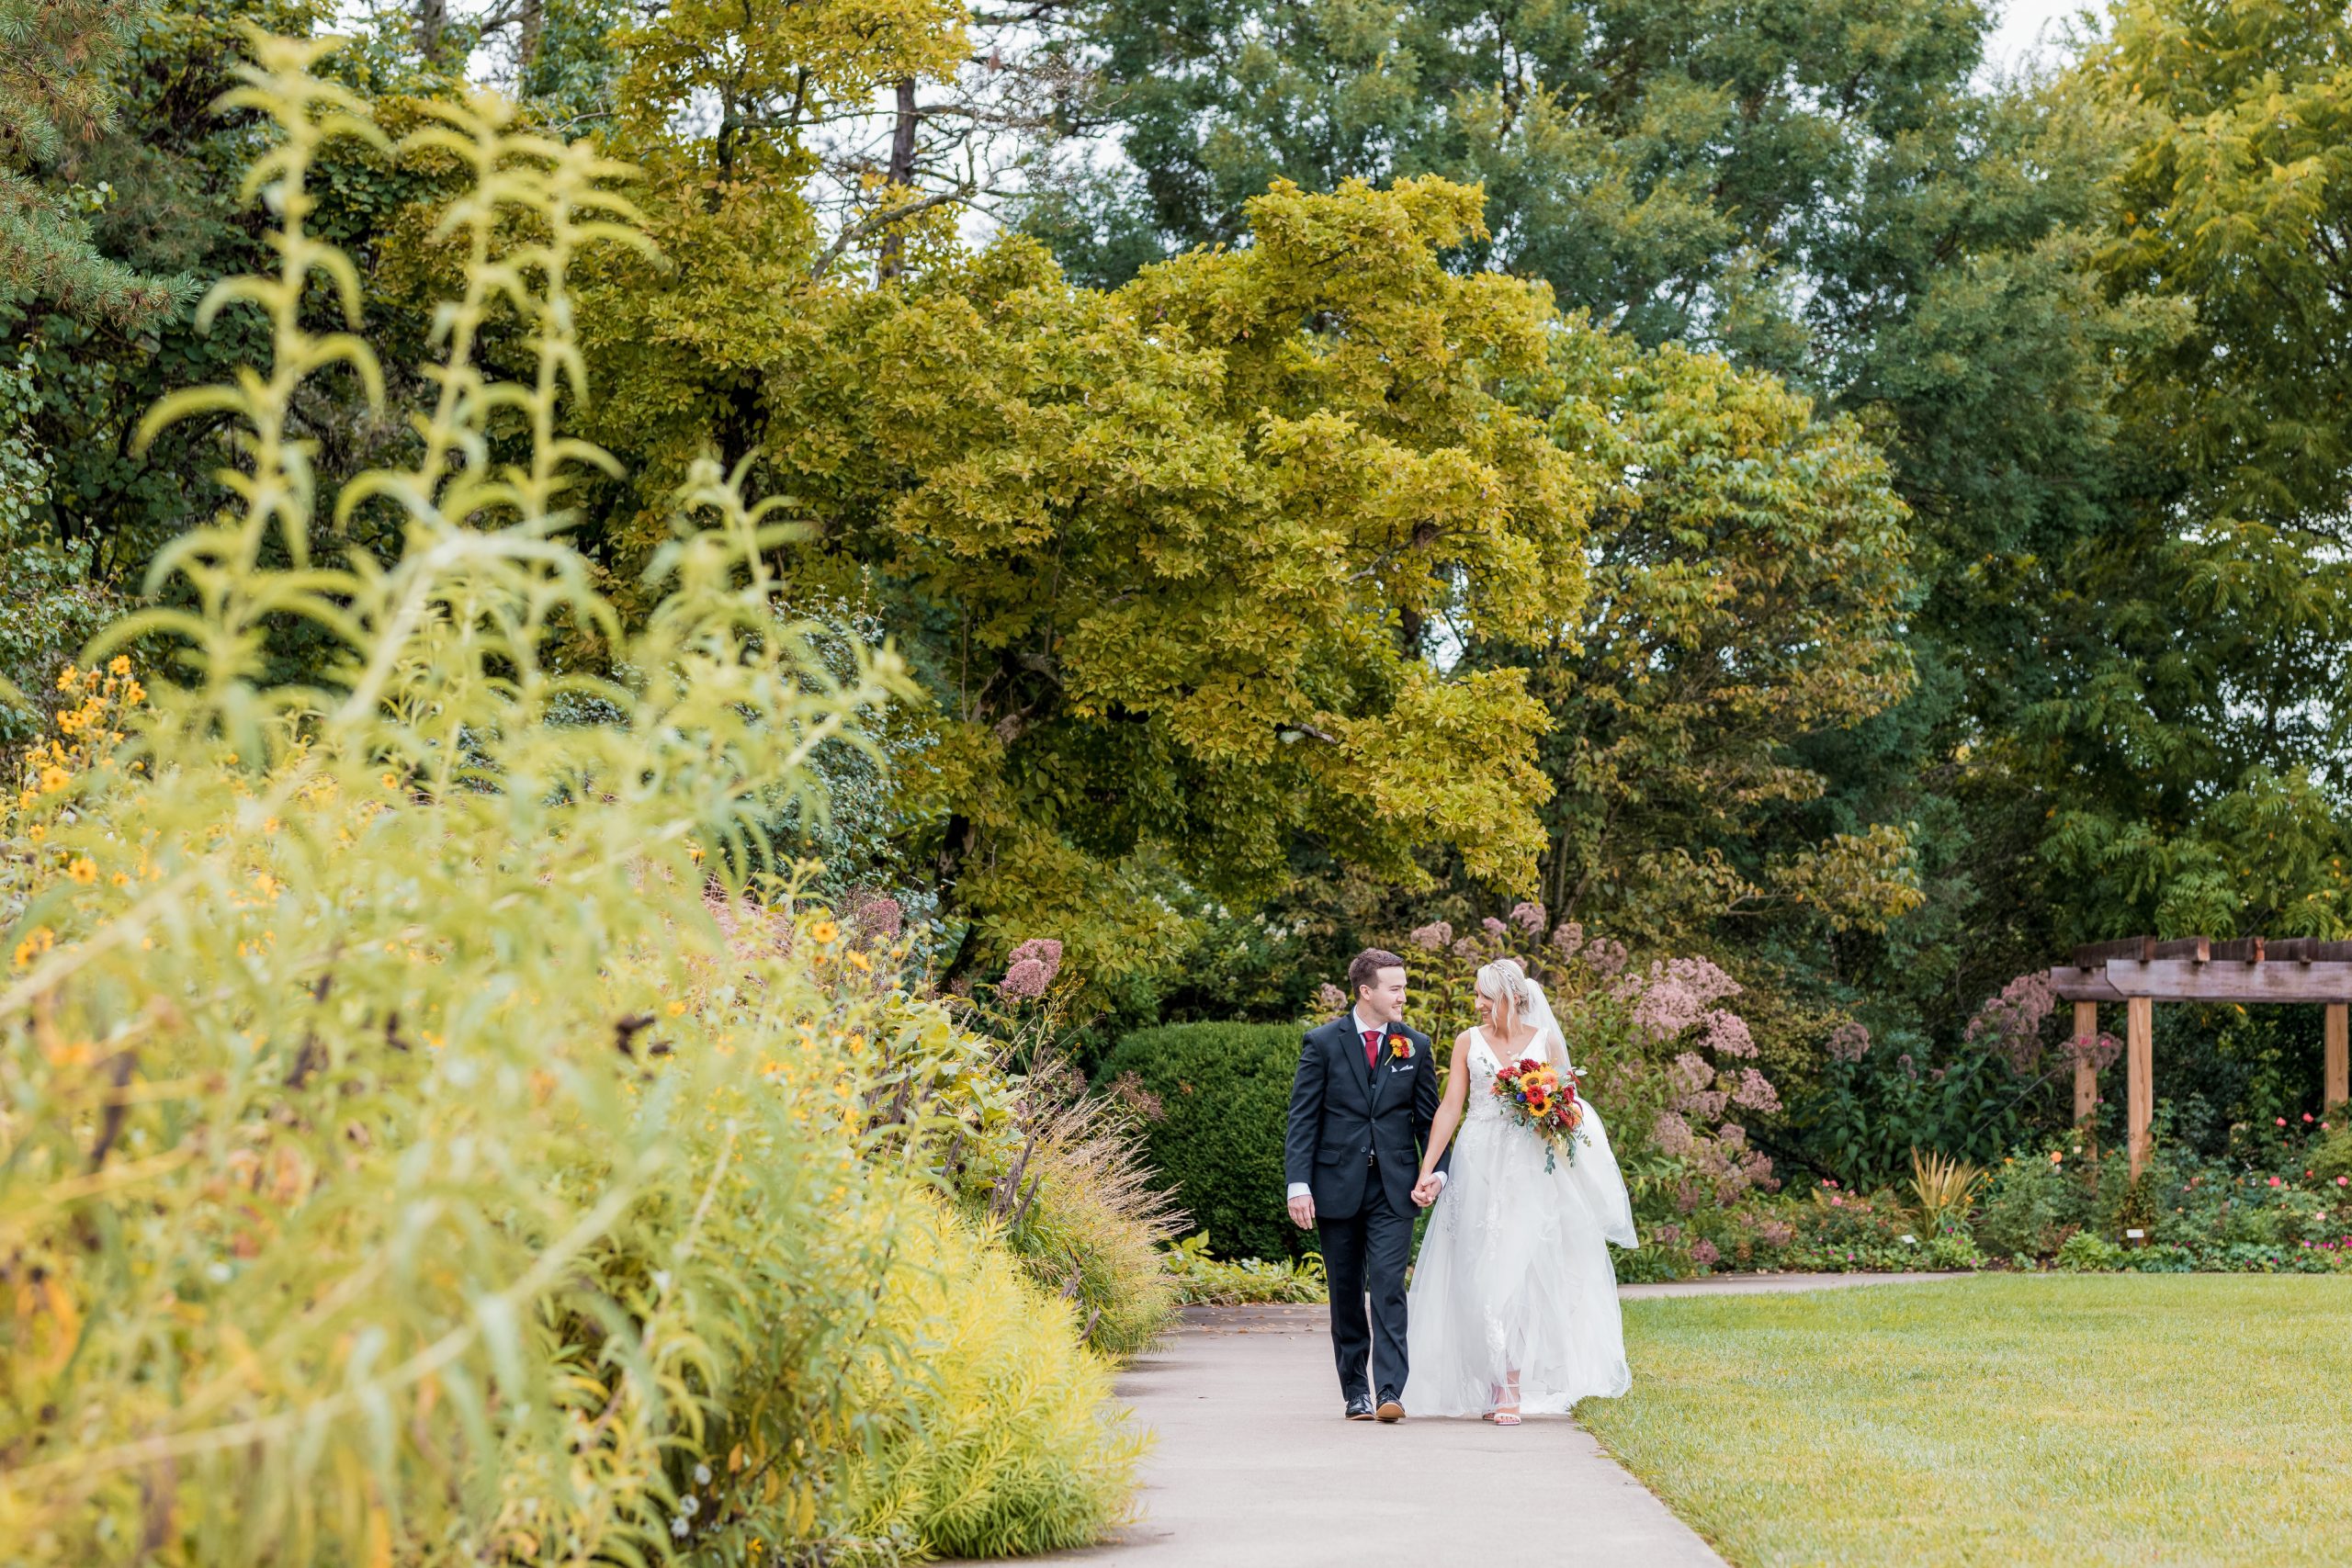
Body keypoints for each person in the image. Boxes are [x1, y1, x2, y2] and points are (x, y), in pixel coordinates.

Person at [1400, 956, 1640, 1425]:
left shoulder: (1543, 1040)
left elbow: (1569, 1104)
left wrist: (1551, 1111)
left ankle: (1510, 1387)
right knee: (1478, 1266)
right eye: (1477, 996)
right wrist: (1428, 1168)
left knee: (1522, 1267)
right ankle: (1494, 1383)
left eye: (1485, 997)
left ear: (1508, 999)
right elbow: (1450, 1108)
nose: (1478, 1004)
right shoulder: (1468, 1041)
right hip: (1478, 1163)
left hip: (1531, 1168)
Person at [1284, 948, 1448, 1422]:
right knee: (1346, 1291)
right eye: (1394, 987)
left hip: (1394, 1188)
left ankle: (1390, 1392)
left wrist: (1435, 1172)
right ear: (1366, 992)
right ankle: (1355, 1389)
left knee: (1390, 1287)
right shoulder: (1322, 1043)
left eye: (1403, 986)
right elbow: (1303, 1119)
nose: (1403, 995)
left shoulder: (1414, 1044)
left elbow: (1430, 1121)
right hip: (1336, 1187)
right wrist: (1299, 1184)